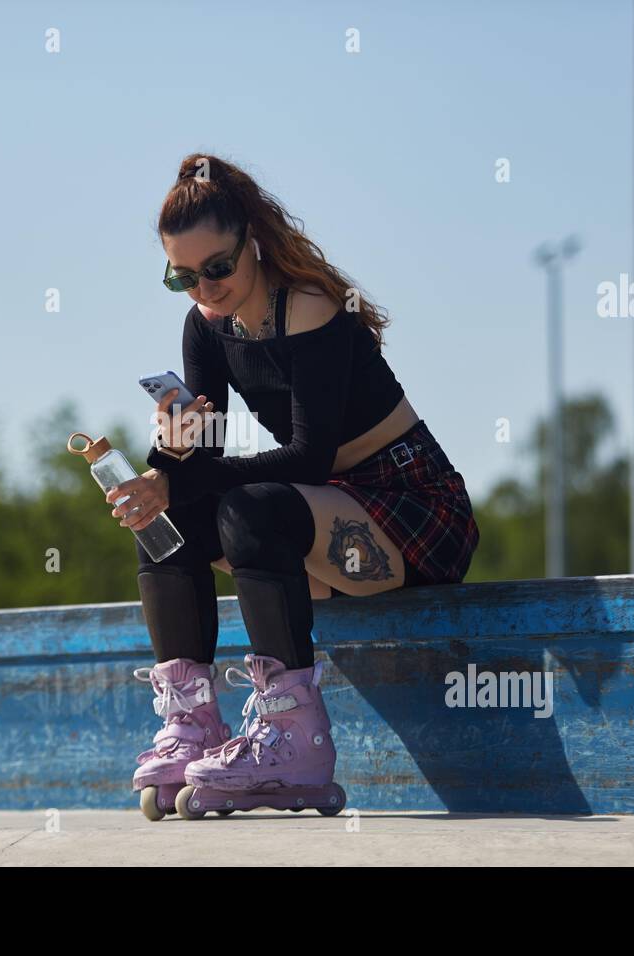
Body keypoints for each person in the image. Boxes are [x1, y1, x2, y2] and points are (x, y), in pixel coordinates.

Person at [109, 153, 480, 819]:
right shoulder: (206, 326)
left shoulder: (307, 307)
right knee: (164, 526)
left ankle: (295, 741)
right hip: (322, 517)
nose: (205, 289)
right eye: (183, 277)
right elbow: (208, 456)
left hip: (409, 508)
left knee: (249, 510)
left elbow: (309, 458)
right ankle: (193, 725)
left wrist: (184, 480)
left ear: (251, 243)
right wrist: (164, 463)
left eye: (217, 268)